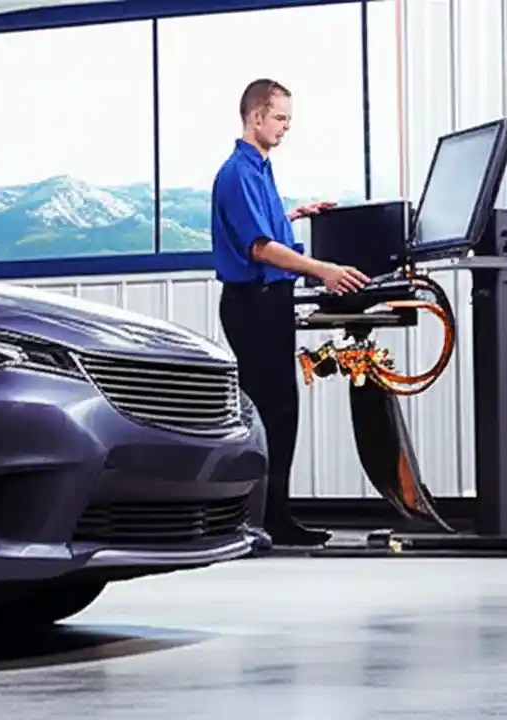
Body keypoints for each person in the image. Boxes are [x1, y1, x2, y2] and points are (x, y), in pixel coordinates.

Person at [211, 78, 369, 548]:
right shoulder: (238, 173)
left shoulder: (260, 168)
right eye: (280, 118)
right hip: (253, 303)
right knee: (273, 413)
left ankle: (271, 514)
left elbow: (262, 226)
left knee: (280, 410)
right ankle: (266, 520)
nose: (285, 127)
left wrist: (293, 216)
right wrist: (324, 270)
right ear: (255, 116)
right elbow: (259, 247)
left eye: (288, 120)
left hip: (268, 301)